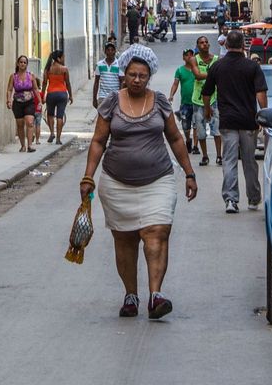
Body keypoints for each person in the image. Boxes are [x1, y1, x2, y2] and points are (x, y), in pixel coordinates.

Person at [80, 44, 197, 320]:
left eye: (141, 75)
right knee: (125, 240)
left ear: (149, 76)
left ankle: (156, 295)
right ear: (124, 74)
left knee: (157, 233)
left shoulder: (159, 102)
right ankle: (130, 294)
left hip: (158, 179)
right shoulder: (110, 103)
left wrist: (189, 173)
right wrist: (88, 176)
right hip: (117, 183)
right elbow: (98, 141)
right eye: (131, 74)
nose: (136, 79)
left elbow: (176, 139)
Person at [202, 27, 268, 214]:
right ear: (243, 46)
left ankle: (231, 200)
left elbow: (206, 93)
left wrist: (207, 111)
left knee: (229, 161)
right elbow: (260, 94)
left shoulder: (217, 66)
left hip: (228, 122)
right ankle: (254, 199)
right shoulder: (252, 67)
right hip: (249, 122)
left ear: (227, 45)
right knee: (249, 161)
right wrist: (264, 115)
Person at [189, 35, 222, 167]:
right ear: (197, 46)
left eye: (206, 42)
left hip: (214, 98)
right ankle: (205, 156)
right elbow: (197, 75)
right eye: (201, 43)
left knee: (217, 129)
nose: (204, 44)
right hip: (198, 100)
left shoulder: (216, 59)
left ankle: (219, 156)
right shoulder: (194, 59)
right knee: (201, 131)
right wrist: (213, 75)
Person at [6, 55, 39, 152]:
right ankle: (22, 145)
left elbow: (36, 89)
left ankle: (30, 146)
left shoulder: (31, 76)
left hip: (29, 102)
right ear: (18, 63)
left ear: (27, 64)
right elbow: (9, 90)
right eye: (21, 62)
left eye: (24, 62)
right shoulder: (13, 76)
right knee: (20, 124)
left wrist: (40, 101)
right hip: (18, 103)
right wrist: (8, 100)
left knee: (30, 122)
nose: (22, 64)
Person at [168, 48, 198, 154]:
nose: (189, 57)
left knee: (196, 125)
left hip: (197, 102)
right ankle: (188, 140)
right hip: (185, 103)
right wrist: (171, 95)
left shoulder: (198, 70)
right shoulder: (180, 70)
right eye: (186, 55)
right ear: (183, 57)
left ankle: (195, 146)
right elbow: (175, 84)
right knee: (186, 126)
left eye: (191, 55)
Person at [43, 49, 72, 144]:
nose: (64, 59)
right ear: (59, 58)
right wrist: (71, 95)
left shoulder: (48, 69)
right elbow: (67, 83)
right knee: (60, 116)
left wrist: (43, 95)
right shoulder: (64, 69)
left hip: (51, 94)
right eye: (63, 57)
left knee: (50, 114)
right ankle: (58, 139)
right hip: (62, 94)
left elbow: (44, 83)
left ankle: (52, 133)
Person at [93, 42, 123, 107]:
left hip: (115, 97)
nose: (110, 52)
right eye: (108, 50)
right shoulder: (99, 65)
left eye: (112, 50)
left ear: (115, 51)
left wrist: (121, 97)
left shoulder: (119, 65)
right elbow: (96, 82)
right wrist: (94, 98)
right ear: (105, 52)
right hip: (102, 97)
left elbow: (122, 82)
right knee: (102, 117)